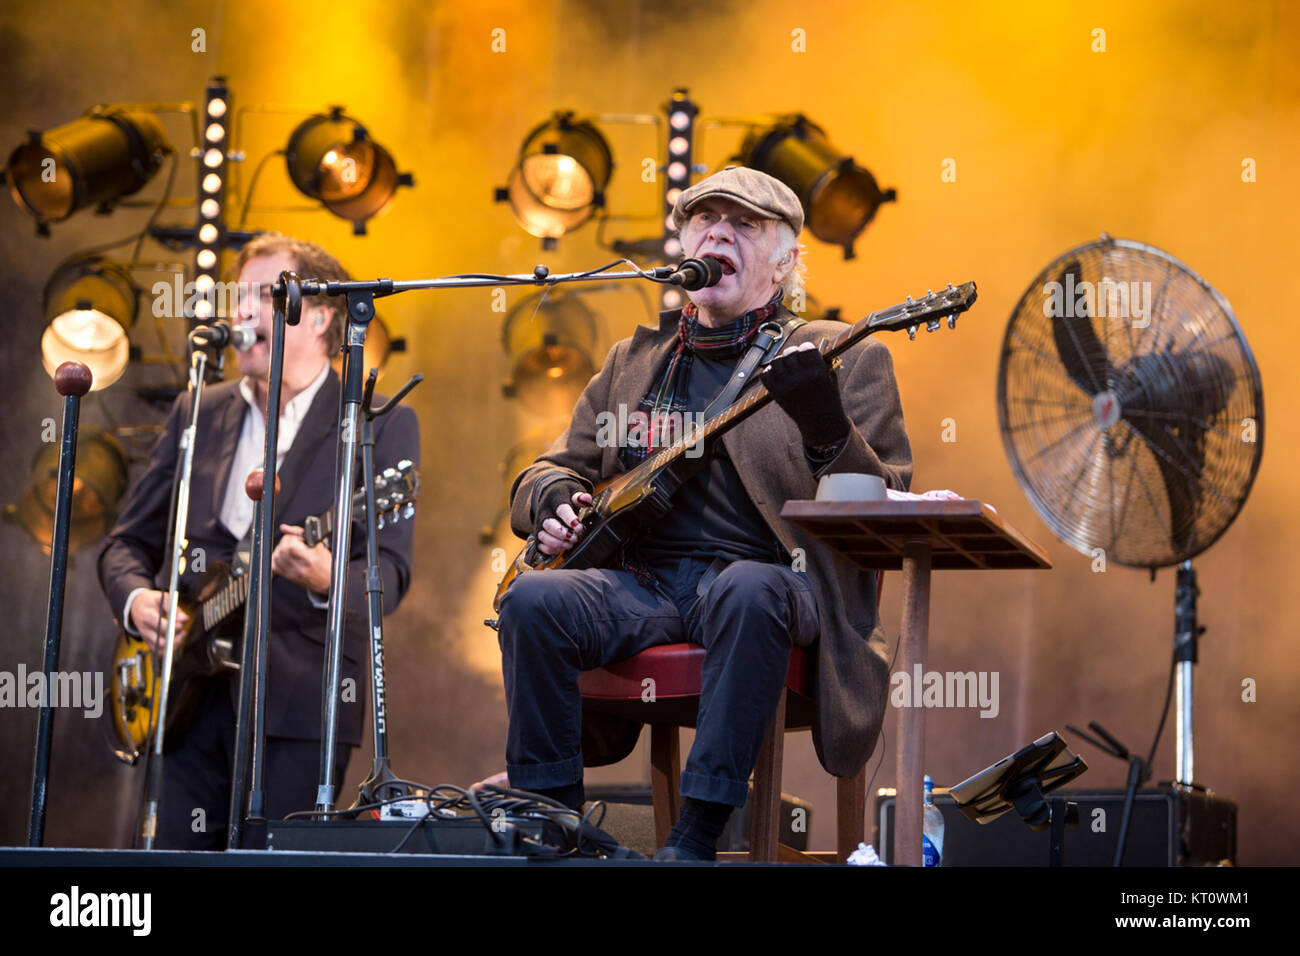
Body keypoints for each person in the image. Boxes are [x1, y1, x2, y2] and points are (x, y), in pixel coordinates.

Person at [497, 166, 912, 860]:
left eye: (743, 224)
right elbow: (552, 468)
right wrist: (550, 498)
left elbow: (882, 513)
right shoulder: (634, 360)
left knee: (749, 589)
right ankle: (553, 828)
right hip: (646, 590)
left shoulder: (844, 354)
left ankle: (696, 835)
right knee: (534, 600)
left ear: (785, 263)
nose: (717, 231)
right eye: (704, 220)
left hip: (773, 585)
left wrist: (827, 429)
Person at [98, 233, 419, 849]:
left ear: (322, 314)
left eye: (265, 297)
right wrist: (138, 602)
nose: (240, 312)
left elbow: (392, 574)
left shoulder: (378, 420)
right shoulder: (200, 409)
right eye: (238, 297)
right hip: (188, 700)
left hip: (301, 705)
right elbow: (125, 544)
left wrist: (327, 577)